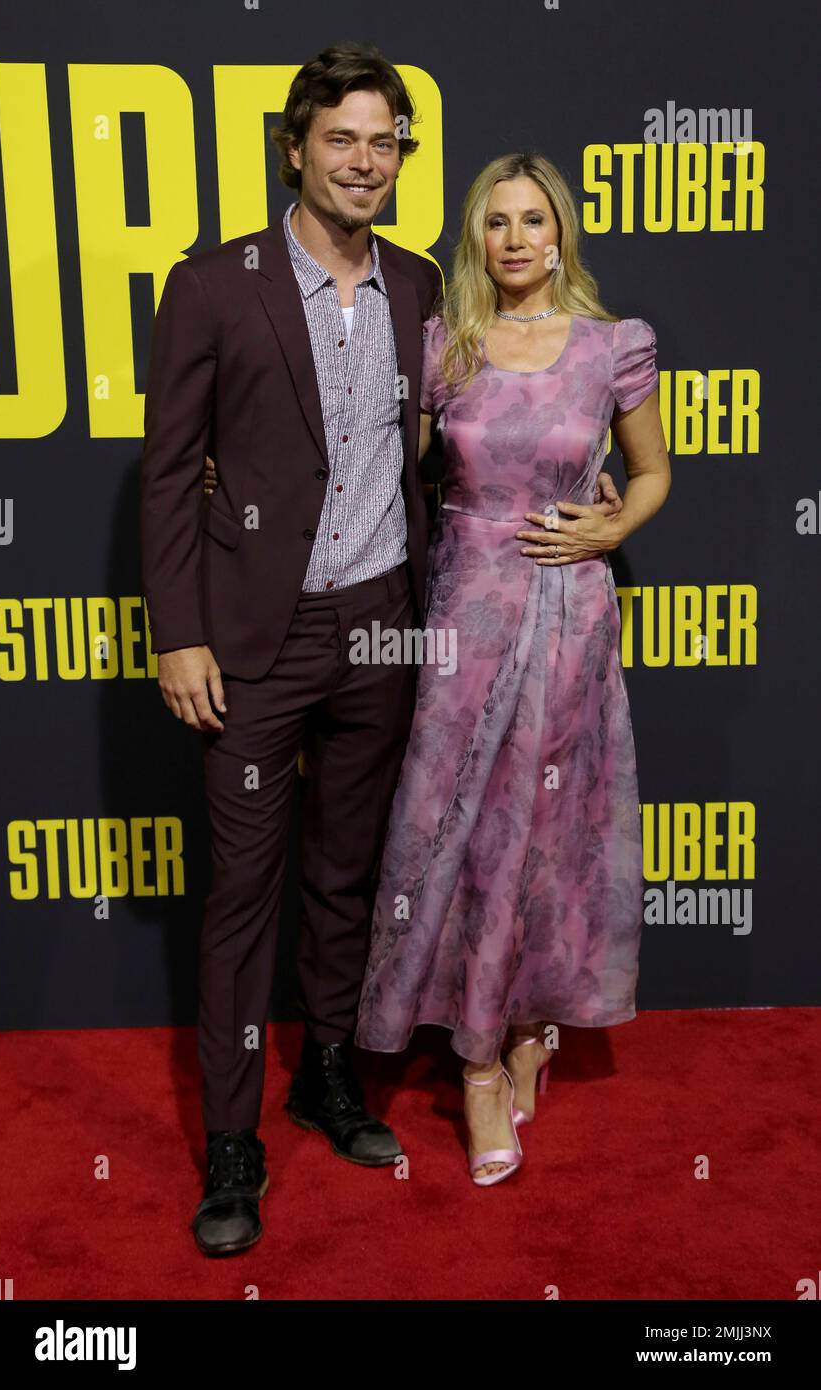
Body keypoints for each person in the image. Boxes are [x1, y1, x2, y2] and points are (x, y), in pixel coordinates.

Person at [140, 41, 446, 1256]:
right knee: (240, 897)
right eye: (341, 138)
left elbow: (436, 445)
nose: (364, 161)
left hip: (379, 621)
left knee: (347, 875)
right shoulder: (214, 283)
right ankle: (231, 1141)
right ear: (294, 148)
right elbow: (169, 474)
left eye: (383, 141)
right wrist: (179, 633)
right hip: (256, 637)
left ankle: (326, 1072)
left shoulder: (418, 283)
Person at [355, 151, 671, 1185]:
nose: (516, 239)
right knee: (463, 828)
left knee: (548, 829)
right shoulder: (444, 345)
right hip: (463, 618)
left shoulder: (613, 346)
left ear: (560, 232)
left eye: (534, 219)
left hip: (569, 616)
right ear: (476, 239)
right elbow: (385, 466)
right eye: (497, 222)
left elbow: (651, 471)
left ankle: (528, 1025)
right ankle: (479, 1061)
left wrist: (610, 524)